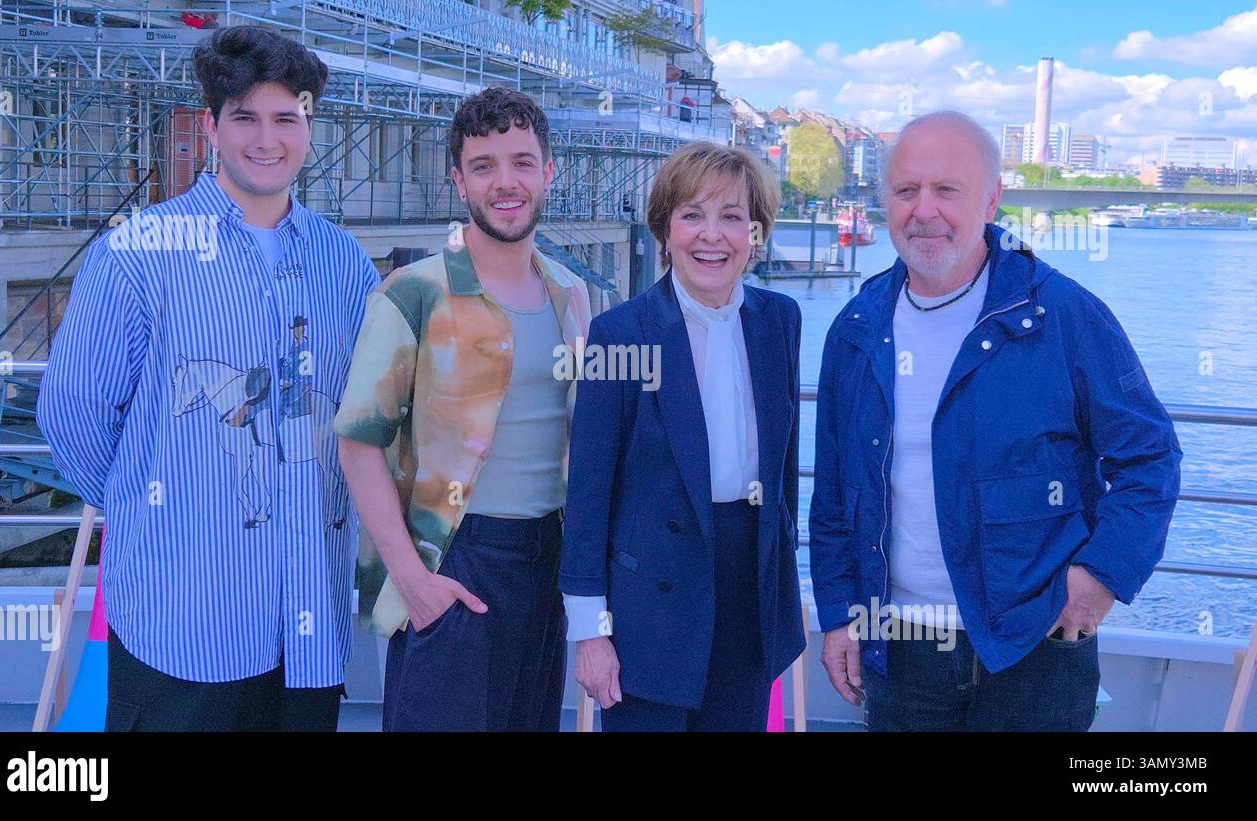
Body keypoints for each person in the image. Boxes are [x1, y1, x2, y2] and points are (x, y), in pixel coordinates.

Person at [38, 25, 380, 730]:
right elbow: (73, 411)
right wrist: (155, 507)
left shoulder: (344, 262)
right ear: (211, 126)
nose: (267, 138)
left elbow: (361, 413)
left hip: (305, 627)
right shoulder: (138, 253)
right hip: (180, 625)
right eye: (246, 117)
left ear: (309, 125)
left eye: (287, 117)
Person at [809, 110, 1182, 731]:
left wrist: (1101, 576)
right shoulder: (856, 327)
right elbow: (834, 499)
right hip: (898, 650)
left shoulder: (1061, 314)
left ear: (991, 198)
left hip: (1035, 646)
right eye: (906, 190)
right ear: (885, 201)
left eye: (947, 189)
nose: (924, 210)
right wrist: (840, 616)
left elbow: (1149, 457)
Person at [333, 87, 591, 732]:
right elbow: (358, 442)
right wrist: (412, 579)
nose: (505, 182)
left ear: (548, 172)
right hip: (453, 554)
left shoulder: (573, 294)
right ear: (459, 180)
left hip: (547, 561)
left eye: (522, 162)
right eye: (484, 165)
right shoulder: (414, 292)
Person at [562, 141, 806, 731]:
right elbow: (588, 494)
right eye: (692, 215)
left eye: (731, 217)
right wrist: (590, 632)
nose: (711, 236)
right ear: (665, 231)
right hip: (649, 608)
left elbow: (784, 475)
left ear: (756, 233)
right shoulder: (619, 334)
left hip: (749, 596)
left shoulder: (781, 322)